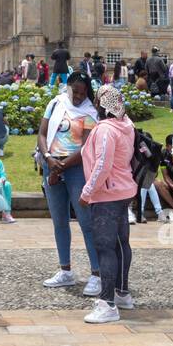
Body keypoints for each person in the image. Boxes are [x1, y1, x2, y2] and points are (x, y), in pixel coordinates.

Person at [79, 84, 139, 322]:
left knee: (105, 247)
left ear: (101, 105)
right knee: (121, 243)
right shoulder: (127, 125)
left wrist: (87, 192)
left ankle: (107, 303)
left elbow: (102, 164)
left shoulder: (105, 129)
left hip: (107, 193)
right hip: (124, 190)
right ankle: (122, 293)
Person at [37, 73, 100, 295]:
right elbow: (43, 133)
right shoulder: (55, 103)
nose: (79, 97)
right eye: (76, 91)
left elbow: (86, 148)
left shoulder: (90, 112)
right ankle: (65, 270)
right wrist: (48, 158)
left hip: (75, 169)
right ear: (68, 87)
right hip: (51, 163)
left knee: (86, 222)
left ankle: (97, 273)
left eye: (83, 93)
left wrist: (60, 167)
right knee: (59, 220)